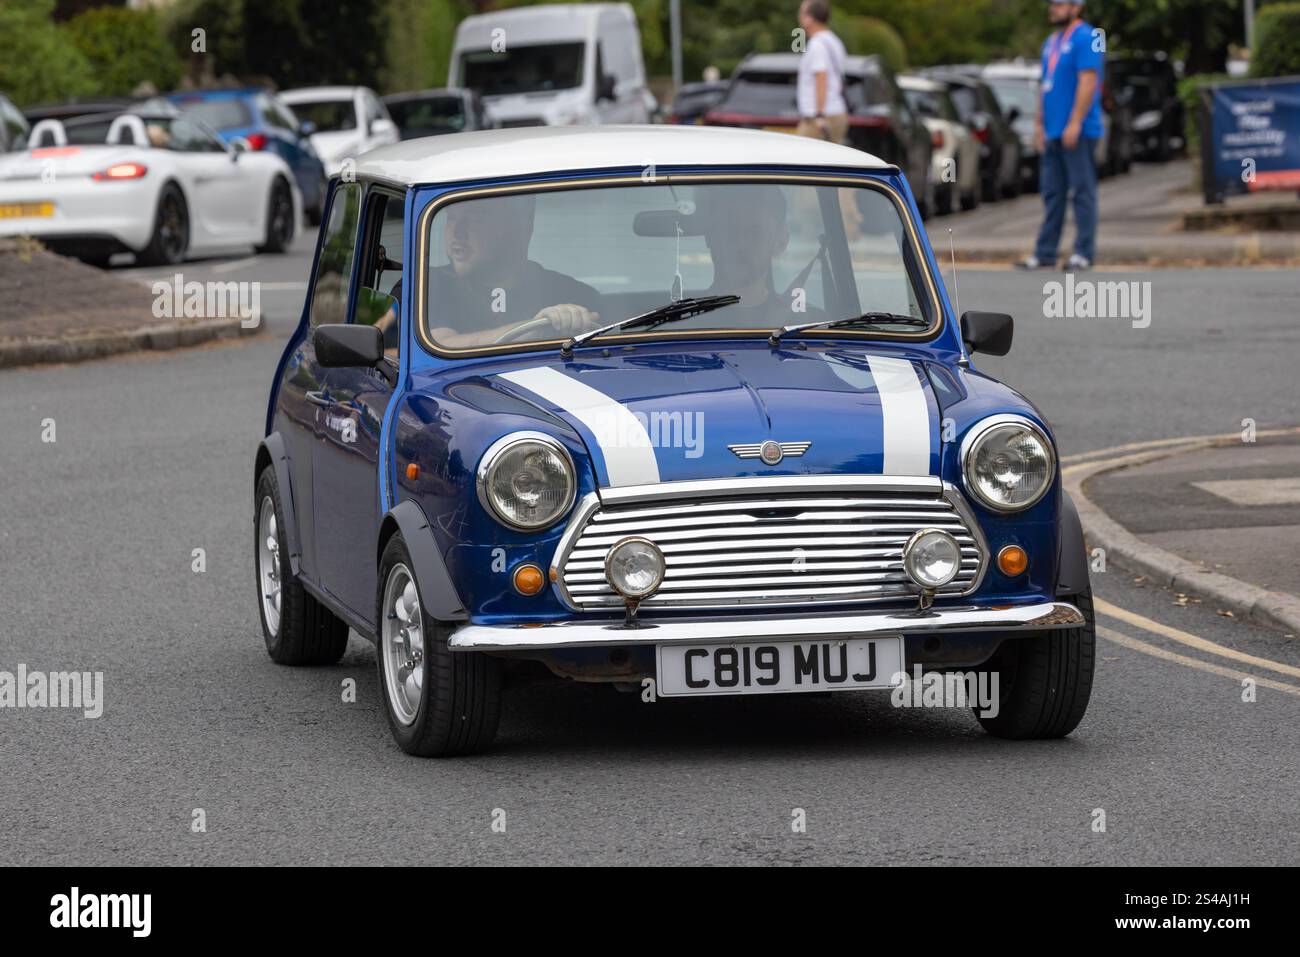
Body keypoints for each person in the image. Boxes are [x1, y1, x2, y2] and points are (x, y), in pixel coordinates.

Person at [426, 193, 601, 348]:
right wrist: (534, 329)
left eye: (474, 219)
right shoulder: (426, 287)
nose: (456, 232)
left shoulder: (575, 294)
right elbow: (442, 346)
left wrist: (573, 320)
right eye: (451, 218)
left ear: (520, 228)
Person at [1018, 0, 1103, 271]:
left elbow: (1089, 81)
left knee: (1081, 192)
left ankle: (1083, 252)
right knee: (1052, 194)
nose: (1052, 8)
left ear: (1076, 8)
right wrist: (1040, 124)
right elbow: (1045, 85)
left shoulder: (1088, 36)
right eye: (1052, 4)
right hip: (1053, 130)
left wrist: (1075, 122)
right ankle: (1045, 252)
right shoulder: (1050, 41)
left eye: (1059, 4)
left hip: (1077, 130)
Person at [795, 0, 848, 145]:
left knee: (799, 160)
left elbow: (821, 78)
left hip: (820, 118)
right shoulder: (834, 41)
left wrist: (819, 115)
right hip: (836, 112)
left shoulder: (816, 45)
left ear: (809, 18)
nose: (799, 17)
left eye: (802, 13)